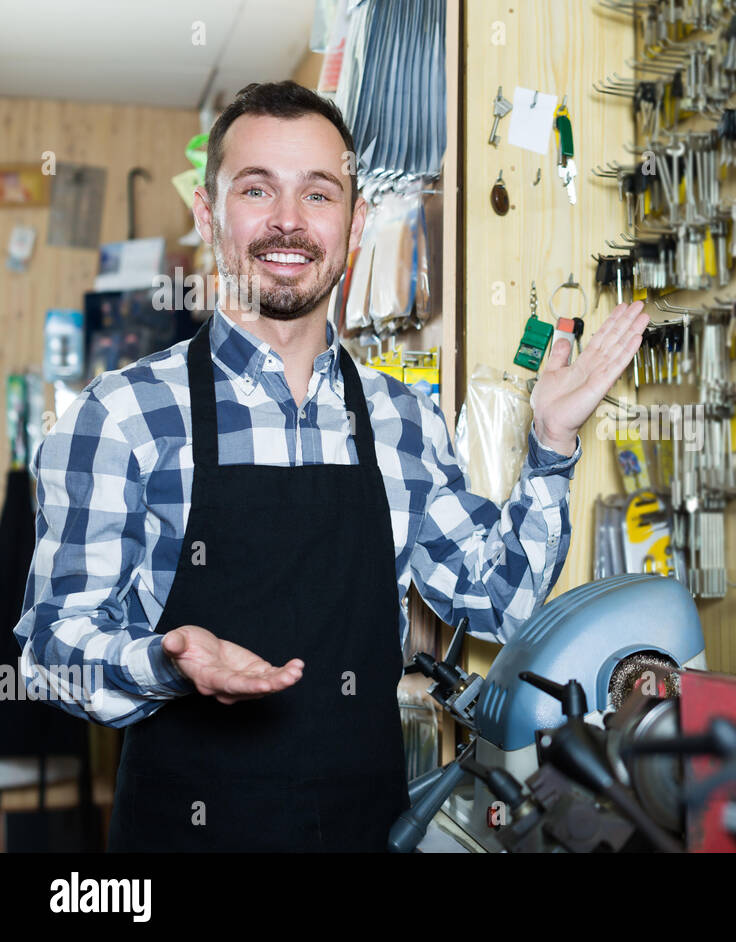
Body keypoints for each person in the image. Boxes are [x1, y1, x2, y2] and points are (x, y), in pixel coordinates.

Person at [11, 81, 648, 852]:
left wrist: (549, 446)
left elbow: (501, 603)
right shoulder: (119, 415)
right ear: (209, 217)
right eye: (257, 189)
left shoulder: (403, 420)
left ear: (355, 221)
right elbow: (50, 654)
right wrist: (164, 662)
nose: (288, 220)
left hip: (365, 829)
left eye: (319, 193)